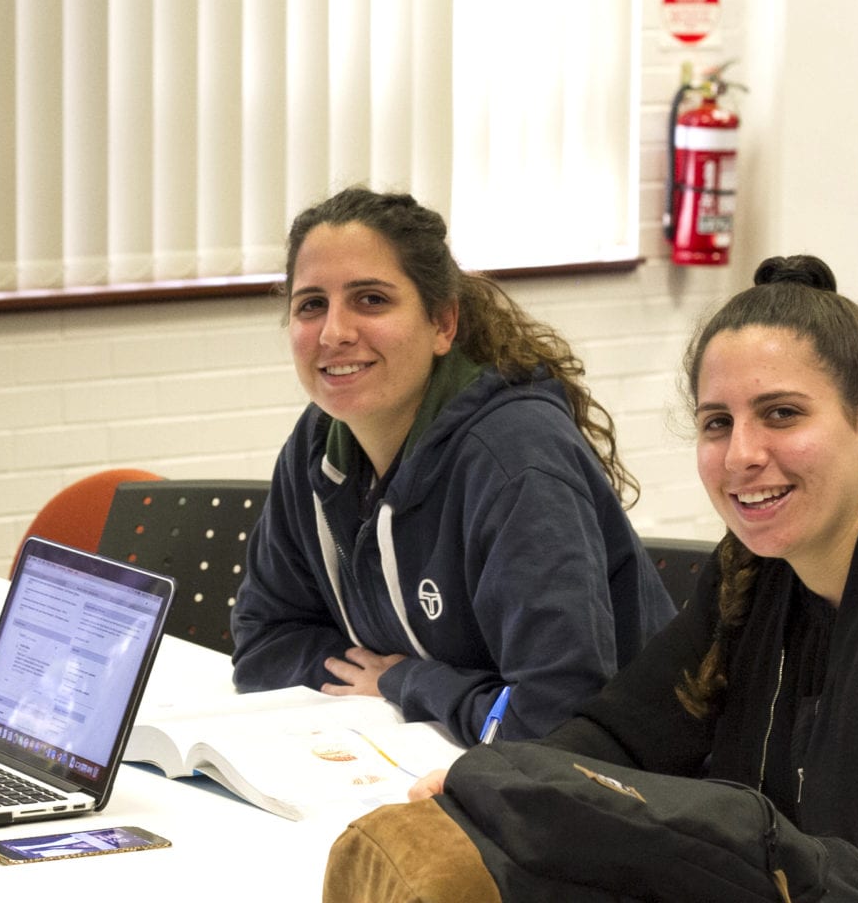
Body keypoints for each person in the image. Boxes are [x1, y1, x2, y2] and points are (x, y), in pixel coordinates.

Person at [406, 254, 858, 863]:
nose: (740, 454)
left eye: (781, 414)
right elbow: (625, 736)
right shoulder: (753, 569)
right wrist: (498, 778)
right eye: (717, 422)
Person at [230, 186, 676, 745]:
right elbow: (263, 646)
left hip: (619, 793)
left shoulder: (516, 457)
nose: (334, 332)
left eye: (371, 300)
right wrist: (382, 687)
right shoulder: (319, 443)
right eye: (311, 304)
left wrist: (408, 683)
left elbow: (557, 719)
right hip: (429, 758)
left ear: (442, 324)